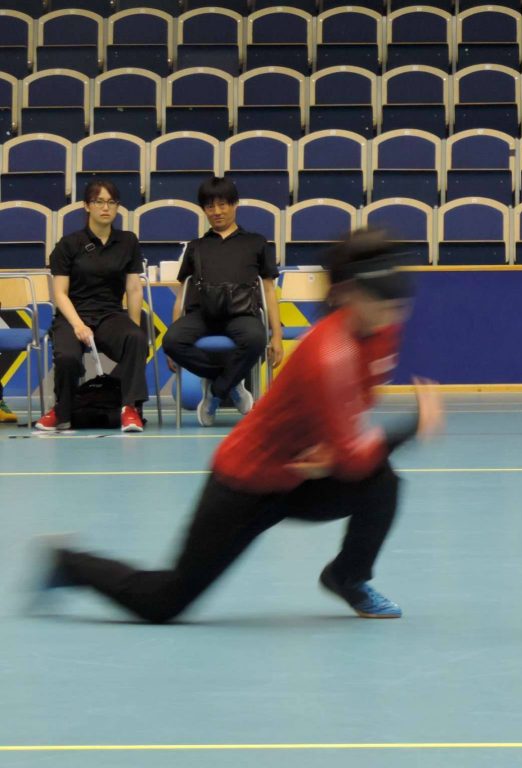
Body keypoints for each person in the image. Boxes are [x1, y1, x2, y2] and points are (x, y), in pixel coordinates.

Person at [30, 230, 444, 623]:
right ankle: (67, 562)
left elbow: (355, 424)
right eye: (381, 299)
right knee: (164, 602)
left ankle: (347, 576)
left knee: (382, 482)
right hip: (246, 483)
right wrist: (410, 427)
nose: (395, 309)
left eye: (396, 299)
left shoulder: (382, 328)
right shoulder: (329, 353)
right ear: (349, 295)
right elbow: (353, 457)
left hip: (300, 476)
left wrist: (334, 447)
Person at [163, 176, 284, 427]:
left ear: (234, 204)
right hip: (202, 315)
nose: (216, 212)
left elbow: (269, 291)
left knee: (255, 339)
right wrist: (175, 326)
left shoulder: (256, 242)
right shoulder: (196, 247)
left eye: (222, 205)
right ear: (204, 210)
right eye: (210, 207)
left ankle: (216, 392)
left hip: (242, 314)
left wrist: (277, 336)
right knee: (172, 341)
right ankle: (229, 381)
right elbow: (182, 293)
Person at [36, 180, 148, 433]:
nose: (105, 207)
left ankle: (129, 408)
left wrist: (133, 329)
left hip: (110, 314)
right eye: (99, 201)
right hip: (72, 315)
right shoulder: (68, 244)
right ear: (87, 206)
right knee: (67, 357)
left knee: (136, 338)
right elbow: (60, 293)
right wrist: (77, 325)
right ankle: (61, 411)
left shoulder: (128, 242)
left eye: (111, 202)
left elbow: (133, 289)